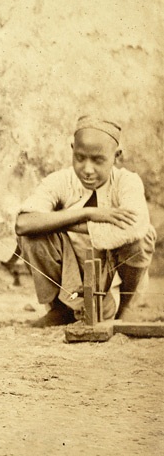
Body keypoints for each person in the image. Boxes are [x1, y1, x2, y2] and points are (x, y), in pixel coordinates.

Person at [15, 116, 156, 326]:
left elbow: (135, 228)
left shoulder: (127, 182)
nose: (87, 169)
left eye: (98, 160)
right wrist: (87, 213)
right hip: (70, 274)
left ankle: (124, 310)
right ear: (72, 149)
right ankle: (60, 310)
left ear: (116, 156)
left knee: (143, 238)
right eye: (80, 158)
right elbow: (23, 223)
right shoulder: (60, 180)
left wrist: (67, 224)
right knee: (33, 237)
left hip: (112, 276)